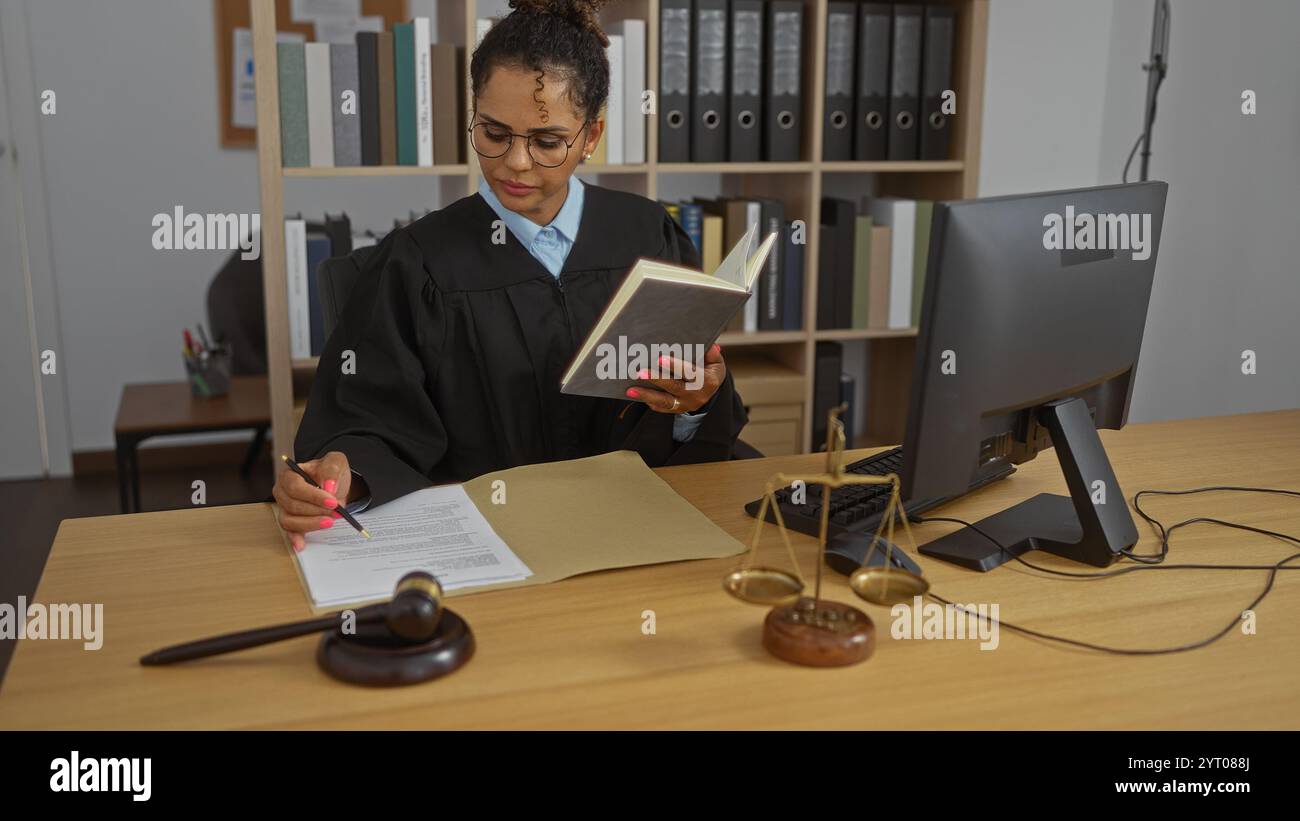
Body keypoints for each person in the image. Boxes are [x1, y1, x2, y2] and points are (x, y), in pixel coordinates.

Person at [275, 0, 749, 549]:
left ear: (590, 138)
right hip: (484, 547)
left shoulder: (648, 237)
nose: (515, 163)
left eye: (547, 141)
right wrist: (343, 473)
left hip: (634, 529)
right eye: (494, 133)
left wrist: (698, 404)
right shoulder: (417, 262)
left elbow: (698, 400)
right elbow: (365, 423)